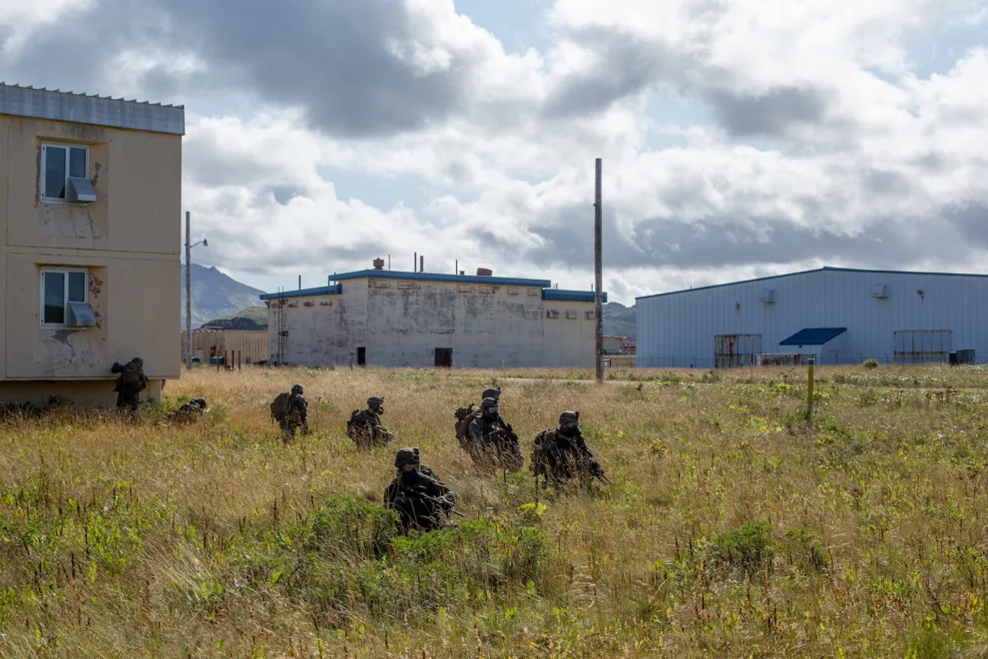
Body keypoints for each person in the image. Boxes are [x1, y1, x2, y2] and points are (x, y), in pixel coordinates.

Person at [383, 447, 457, 533]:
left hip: (432, 525)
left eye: (415, 466)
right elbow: (387, 514)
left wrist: (442, 500)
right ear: (401, 468)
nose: (413, 470)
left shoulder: (426, 480)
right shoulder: (393, 488)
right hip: (405, 531)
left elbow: (451, 494)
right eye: (409, 467)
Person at [531, 411, 609, 489]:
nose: (576, 426)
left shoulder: (578, 438)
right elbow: (546, 457)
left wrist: (586, 463)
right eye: (573, 424)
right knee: (556, 483)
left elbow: (586, 453)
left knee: (589, 466)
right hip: (557, 468)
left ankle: (586, 490)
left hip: (573, 465)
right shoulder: (552, 437)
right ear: (564, 424)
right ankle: (550, 486)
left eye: (576, 423)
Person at [466, 397, 523, 471]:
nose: (495, 412)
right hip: (485, 452)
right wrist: (493, 435)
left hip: (499, 449)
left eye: (497, 410)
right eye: (493, 410)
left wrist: (509, 434)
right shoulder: (475, 423)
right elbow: (477, 441)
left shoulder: (497, 419)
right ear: (485, 410)